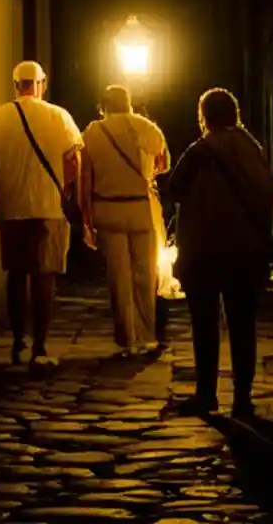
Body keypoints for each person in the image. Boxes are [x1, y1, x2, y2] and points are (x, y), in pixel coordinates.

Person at [167, 88, 273, 417]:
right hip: (245, 248)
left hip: (205, 247)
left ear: (204, 116)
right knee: (243, 324)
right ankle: (242, 397)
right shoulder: (252, 147)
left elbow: (175, 189)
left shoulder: (201, 149)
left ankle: (206, 393)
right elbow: (267, 192)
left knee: (205, 323)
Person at [0, 61, 83, 368]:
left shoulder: (0, 117)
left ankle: (18, 340)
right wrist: (68, 194)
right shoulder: (58, 116)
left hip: (12, 207)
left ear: (15, 85)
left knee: (16, 274)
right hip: (49, 207)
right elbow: (72, 160)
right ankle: (40, 345)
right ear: (42, 84)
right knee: (44, 276)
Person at [79, 85, 169, 358]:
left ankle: (127, 339)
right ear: (129, 103)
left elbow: (86, 180)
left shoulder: (93, 132)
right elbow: (163, 163)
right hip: (140, 207)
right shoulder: (147, 127)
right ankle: (147, 336)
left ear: (103, 105)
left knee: (119, 277)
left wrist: (86, 218)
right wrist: (145, 172)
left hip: (108, 208)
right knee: (146, 274)